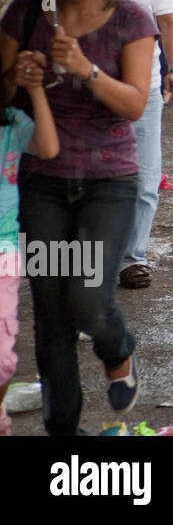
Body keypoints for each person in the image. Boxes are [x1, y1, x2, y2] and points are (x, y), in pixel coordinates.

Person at [0, 0, 157, 435]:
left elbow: (134, 104)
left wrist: (86, 68)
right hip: (42, 181)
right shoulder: (24, 14)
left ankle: (117, 347)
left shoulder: (131, 18)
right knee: (50, 312)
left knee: (86, 298)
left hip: (107, 182)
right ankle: (63, 435)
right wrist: (16, 78)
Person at [106, 0, 173, 290]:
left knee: (145, 179)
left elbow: (169, 24)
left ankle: (132, 258)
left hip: (145, 88)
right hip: (94, 89)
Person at [0, 31, 58, 435]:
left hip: (4, 254)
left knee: (3, 358)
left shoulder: (13, 125)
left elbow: (49, 147)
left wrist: (33, 90)